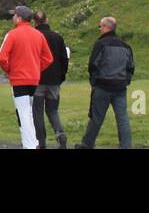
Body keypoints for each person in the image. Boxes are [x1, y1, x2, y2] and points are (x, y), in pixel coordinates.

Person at [0, 5, 53, 149]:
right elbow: (48, 58)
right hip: (34, 79)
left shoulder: (13, 34)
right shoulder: (38, 35)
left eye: (14, 15)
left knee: (23, 113)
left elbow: (2, 58)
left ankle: (30, 145)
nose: (13, 17)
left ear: (20, 18)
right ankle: (32, 142)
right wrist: (36, 69)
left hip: (19, 79)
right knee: (27, 111)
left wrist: (9, 70)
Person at [77, 16, 135, 149]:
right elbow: (130, 67)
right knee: (122, 118)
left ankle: (87, 144)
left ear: (105, 27)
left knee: (96, 117)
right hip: (120, 87)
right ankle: (126, 145)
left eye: (100, 26)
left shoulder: (101, 44)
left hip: (103, 86)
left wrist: (94, 82)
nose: (99, 29)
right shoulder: (125, 46)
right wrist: (125, 81)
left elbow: (93, 65)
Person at [32, 11, 70, 149]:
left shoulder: (33, 37)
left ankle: (41, 143)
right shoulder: (57, 37)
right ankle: (59, 133)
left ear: (34, 21)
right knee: (52, 110)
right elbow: (64, 59)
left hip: (37, 79)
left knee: (37, 111)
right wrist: (61, 76)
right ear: (47, 20)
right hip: (54, 80)